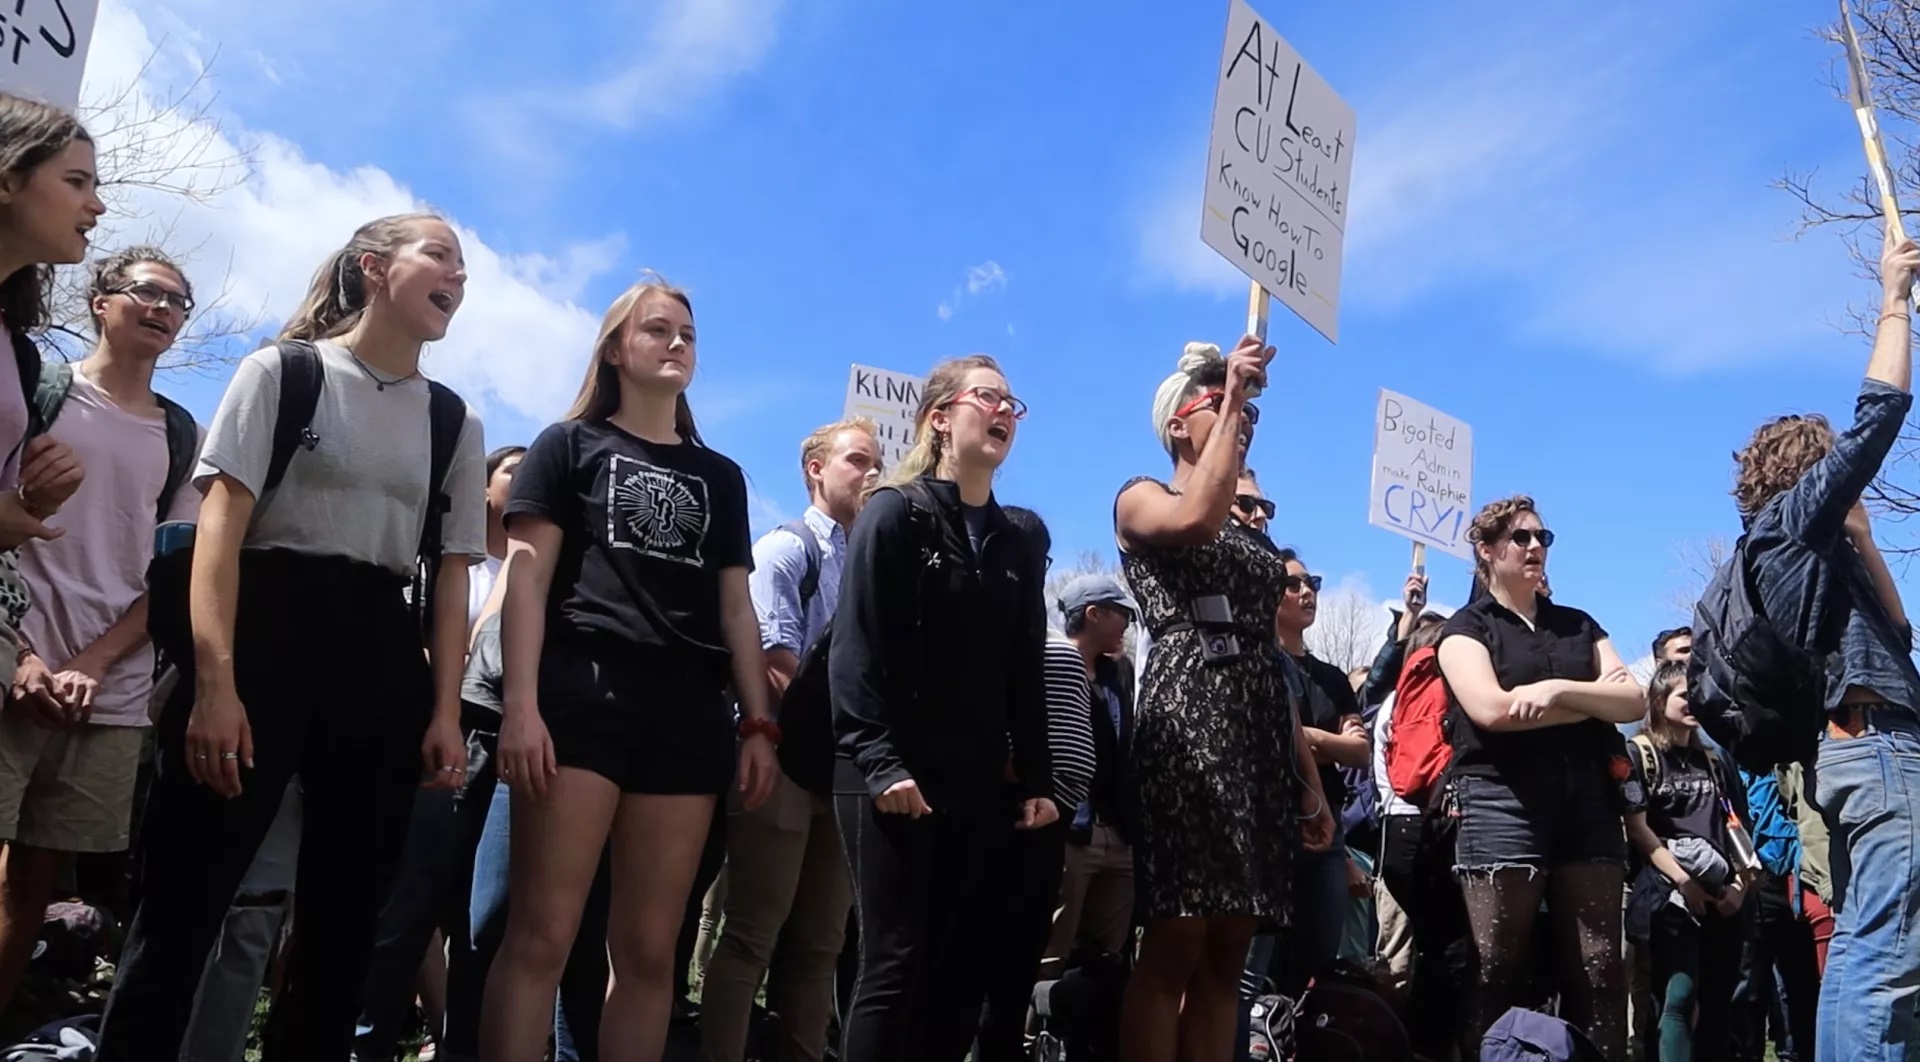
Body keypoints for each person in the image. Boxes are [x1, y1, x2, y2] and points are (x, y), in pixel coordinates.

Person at [97, 212, 487, 1060]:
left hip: (382, 650)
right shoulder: (284, 371)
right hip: (262, 634)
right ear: (373, 267)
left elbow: (454, 575)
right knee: (184, 901)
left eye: (464, 264)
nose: (458, 274)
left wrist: (445, 713)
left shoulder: (453, 420)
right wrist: (214, 684)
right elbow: (217, 538)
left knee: (346, 920)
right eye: (441, 254)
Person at [480, 277, 777, 1062]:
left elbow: (737, 611)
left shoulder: (722, 477)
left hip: (687, 715)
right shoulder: (566, 445)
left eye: (688, 332)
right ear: (616, 347)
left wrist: (758, 724)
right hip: (581, 697)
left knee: (651, 952)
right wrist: (520, 705)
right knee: (542, 933)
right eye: (658, 330)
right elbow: (527, 580)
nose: (678, 343)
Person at [829, 354, 1054, 1062]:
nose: (1003, 413)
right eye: (987, 397)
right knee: (893, 962)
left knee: (960, 968)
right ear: (940, 417)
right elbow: (855, 650)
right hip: (891, 776)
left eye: (1012, 404)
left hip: (977, 782)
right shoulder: (896, 515)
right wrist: (879, 760)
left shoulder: (1019, 544)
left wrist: (1040, 780)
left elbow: (1024, 668)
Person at [1113, 340, 1332, 1062]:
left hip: (1256, 722)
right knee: (1179, 930)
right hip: (1190, 711)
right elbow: (1196, 521)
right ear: (1178, 424)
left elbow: (1273, 660)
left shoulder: (1251, 532)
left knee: (1231, 942)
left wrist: (1309, 784)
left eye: (1249, 410)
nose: (1244, 418)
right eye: (1218, 406)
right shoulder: (1142, 496)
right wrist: (1233, 393)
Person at [1732, 231, 1920, 1062]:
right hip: (1874, 751)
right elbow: (1880, 416)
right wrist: (1894, 298)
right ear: (1805, 474)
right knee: (1890, 955)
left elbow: (1900, 633)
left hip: (1860, 751)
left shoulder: (1809, 551)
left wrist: (1868, 542)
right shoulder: (1786, 530)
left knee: (1861, 947)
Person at [0, 247, 198, 1017]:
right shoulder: (35, 393)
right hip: (13, 656)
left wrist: (91, 662)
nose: (163, 309)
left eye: (178, 303)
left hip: (108, 693)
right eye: (147, 292)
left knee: (39, 876)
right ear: (99, 301)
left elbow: (174, 576)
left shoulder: (185, 435)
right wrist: (24, 656)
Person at [699, 416, 880, 1062]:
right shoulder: (786, 550)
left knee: (819, 949)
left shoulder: (866, 559)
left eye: (875, 461)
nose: (871, 473)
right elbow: (774, 665)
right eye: (857, 460)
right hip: (783, 769)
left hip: (838, 777)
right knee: (751, 935)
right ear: (816, 470)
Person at [1436, 495, 1642, 1056]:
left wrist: (1556, 691)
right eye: (1521, 538)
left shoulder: (1579, 624)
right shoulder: (1463, 630)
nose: (1534, 548)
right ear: (1487, 550)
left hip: (1589, 803)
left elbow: (1633, 700)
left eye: (1542, 539)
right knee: (1498, 961)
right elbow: (1492, 711)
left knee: (1601, 966)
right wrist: (1594, 701)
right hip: (1501, 802)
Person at [356, 441, 527, 1061]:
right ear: (484, 488)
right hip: (441, 737)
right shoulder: (453, 560)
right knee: (409, 903)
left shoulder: (538, 564)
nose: (527, 475)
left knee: (477, 914)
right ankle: (367, 1039)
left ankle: (454, 1038)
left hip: (501, 741)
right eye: (514, 468)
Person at [975, 506, 1093, 1062]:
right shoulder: (1052, 649)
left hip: (1029, 818)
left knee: (1004, 965)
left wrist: (1051, 795)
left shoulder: (1045, 645)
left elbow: (1073, 755)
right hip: (1014, 819)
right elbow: (1072, 757)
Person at [0, 93, 98, 674]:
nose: (98, 205)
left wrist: (30, 503)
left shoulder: (19, 352)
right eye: (77, 181)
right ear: (9, 179)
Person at [1623, 660, 1750, 1061]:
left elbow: (1737, 827)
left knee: (1717, 1001)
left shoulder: (1714, 759)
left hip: (1724, 896)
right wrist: (1684, 882)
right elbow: (1638, 828)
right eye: (1683, 694)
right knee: (1678, 994)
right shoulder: (1639, 753)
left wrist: (1740, 888)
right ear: (1660, 701)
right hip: (1671, 897)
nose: (1692, 702)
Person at [1370, 614, 1467, 1061]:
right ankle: (1430, 1048)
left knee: (1413, 950)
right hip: (1436, 828)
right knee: (1449, 950)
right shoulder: (1450, 697)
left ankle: (1393, 1043)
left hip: (1396, 832)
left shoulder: (1393, 703)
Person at [1271, 548, 1368, 992]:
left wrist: (1304, 738)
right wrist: (1327, 743)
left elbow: (1359, 753)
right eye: (1293, 584)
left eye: (1313, 583)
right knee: (1258, 964)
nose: (1307, 592)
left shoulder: (1331, 679)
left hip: (1328, 832)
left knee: (1318, 964)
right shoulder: (1261, 665)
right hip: (1270, 827)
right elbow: (1270, 743)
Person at [1040, 573, 1138, 981]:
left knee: (1106, 961)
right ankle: (1027, 1042)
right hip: (1070, 831)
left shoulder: (1120, 677)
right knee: (1048, 951)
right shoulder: (1049, 666)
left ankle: (1086, 1044)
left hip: (1119, 834)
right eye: (1121, 615)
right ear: (1093, 614)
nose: (1127, 626)